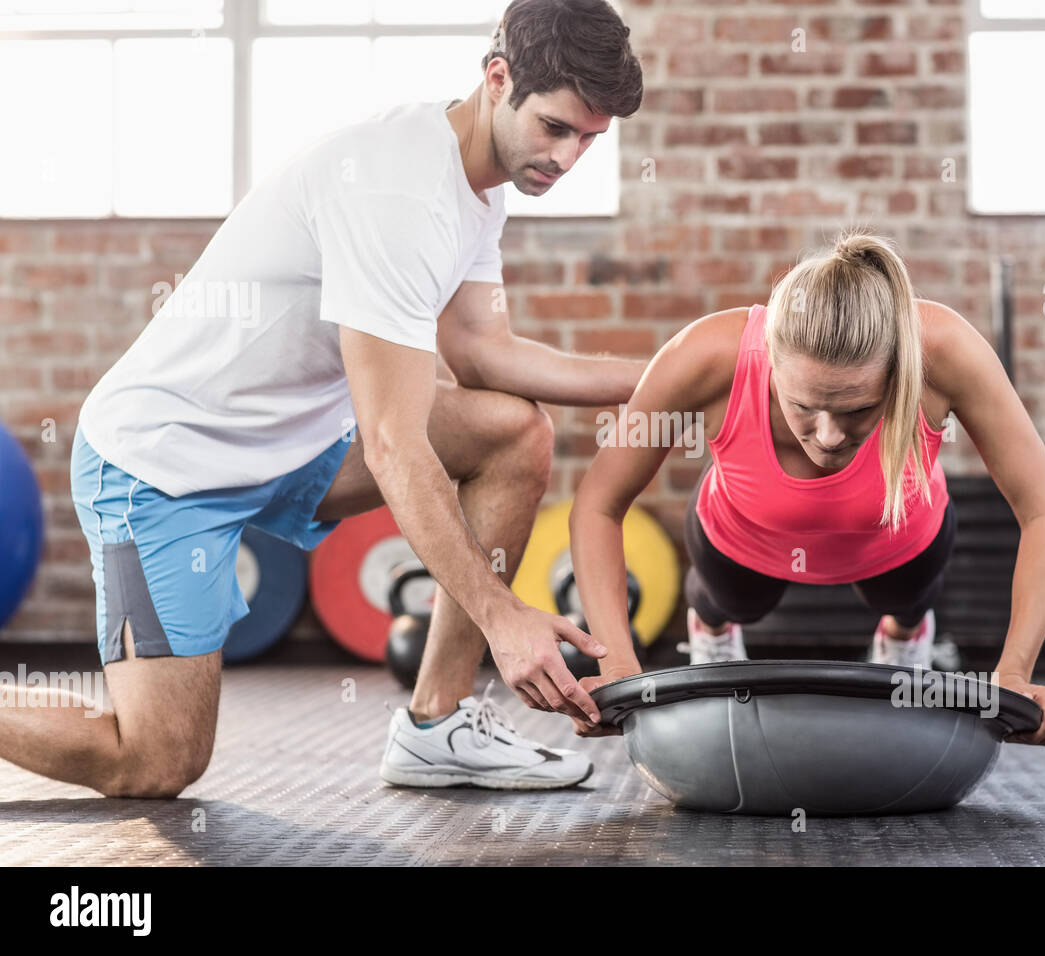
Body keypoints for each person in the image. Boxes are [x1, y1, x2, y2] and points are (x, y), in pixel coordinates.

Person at [0, 0, 645, 798]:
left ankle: (435, 726)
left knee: (512, 434)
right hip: (163, 467)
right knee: (157, 761)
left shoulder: (481, 183)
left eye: (589, 139)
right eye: (555, 128)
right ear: (497, 77)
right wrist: (503, 619)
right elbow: (395, 445)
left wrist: (667, 378)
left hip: (295, 444)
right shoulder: (397, 188)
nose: (568, 156)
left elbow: (483, 349)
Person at [568, 230, 1045, 745]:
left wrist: (1013, 674)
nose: (828, 437)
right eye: (804, 406)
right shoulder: (706, 356)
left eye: (857, 409)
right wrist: (620, 669)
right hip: (744, 531)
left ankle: (904, 636)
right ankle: (712, 629)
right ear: (769, 360)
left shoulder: (944, 350)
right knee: (732, 600)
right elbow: (599, 505)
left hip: (897, 532)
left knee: (908, 598)